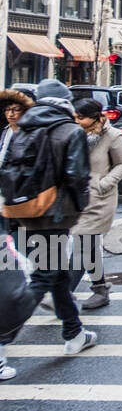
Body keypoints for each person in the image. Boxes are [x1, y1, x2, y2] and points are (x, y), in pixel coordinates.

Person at [0, 79, 95, 378]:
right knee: (44, 277)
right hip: (54, 216)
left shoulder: (24, 129)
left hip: (25, 211)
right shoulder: (70, 131)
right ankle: (2, 341)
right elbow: (78, 176)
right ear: (66, 102)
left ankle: (74, 332)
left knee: (57, 273)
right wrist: (79, 207)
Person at [70, 99, 122, 310]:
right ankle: (100, 288)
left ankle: (63, 293)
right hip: (78, 197)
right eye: (75, 116)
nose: (76, 120)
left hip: (100, 198)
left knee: (82, 244)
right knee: (89, 245)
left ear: (95, 117)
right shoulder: (76, 133)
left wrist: (104, 184)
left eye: (80, 117)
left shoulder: (112, 136)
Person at [0, 88, 35, 382]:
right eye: (7, 109)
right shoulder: (5, 134)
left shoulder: (26, 135)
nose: (10, 114)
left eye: (15, 109)